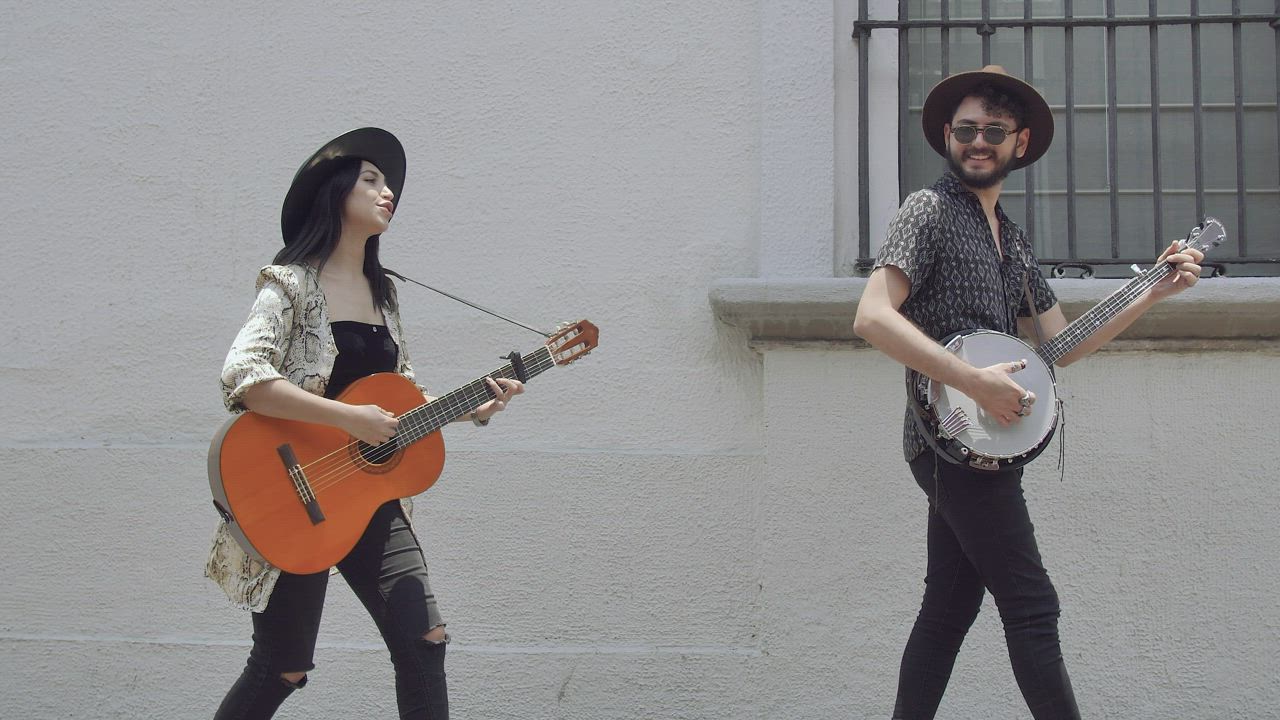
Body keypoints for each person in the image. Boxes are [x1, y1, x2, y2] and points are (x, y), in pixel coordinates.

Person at [852, 67, 1204, 719]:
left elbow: (1060, 344)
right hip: (951, 439)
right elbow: (872, 316)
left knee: (947, 610)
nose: (977, 141)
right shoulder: (928, 211)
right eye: (966, 129)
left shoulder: (1010, 240)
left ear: (1021, 142)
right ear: (947, 136)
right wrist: (974, 382)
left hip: (977, 446)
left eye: (994, 131)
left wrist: (1153, 291)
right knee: (1033, 606)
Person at [207, 127, 523, 719]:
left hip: (368, 498)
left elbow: (400, 398)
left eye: (389, 184)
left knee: (425, 640)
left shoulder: (385, 296)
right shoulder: (290, 284)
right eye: (371, 180)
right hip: (292, 488)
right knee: (283, 666)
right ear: (335, 192)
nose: (388, 192)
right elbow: (244, 377)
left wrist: (470, 408)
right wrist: (349, 418)